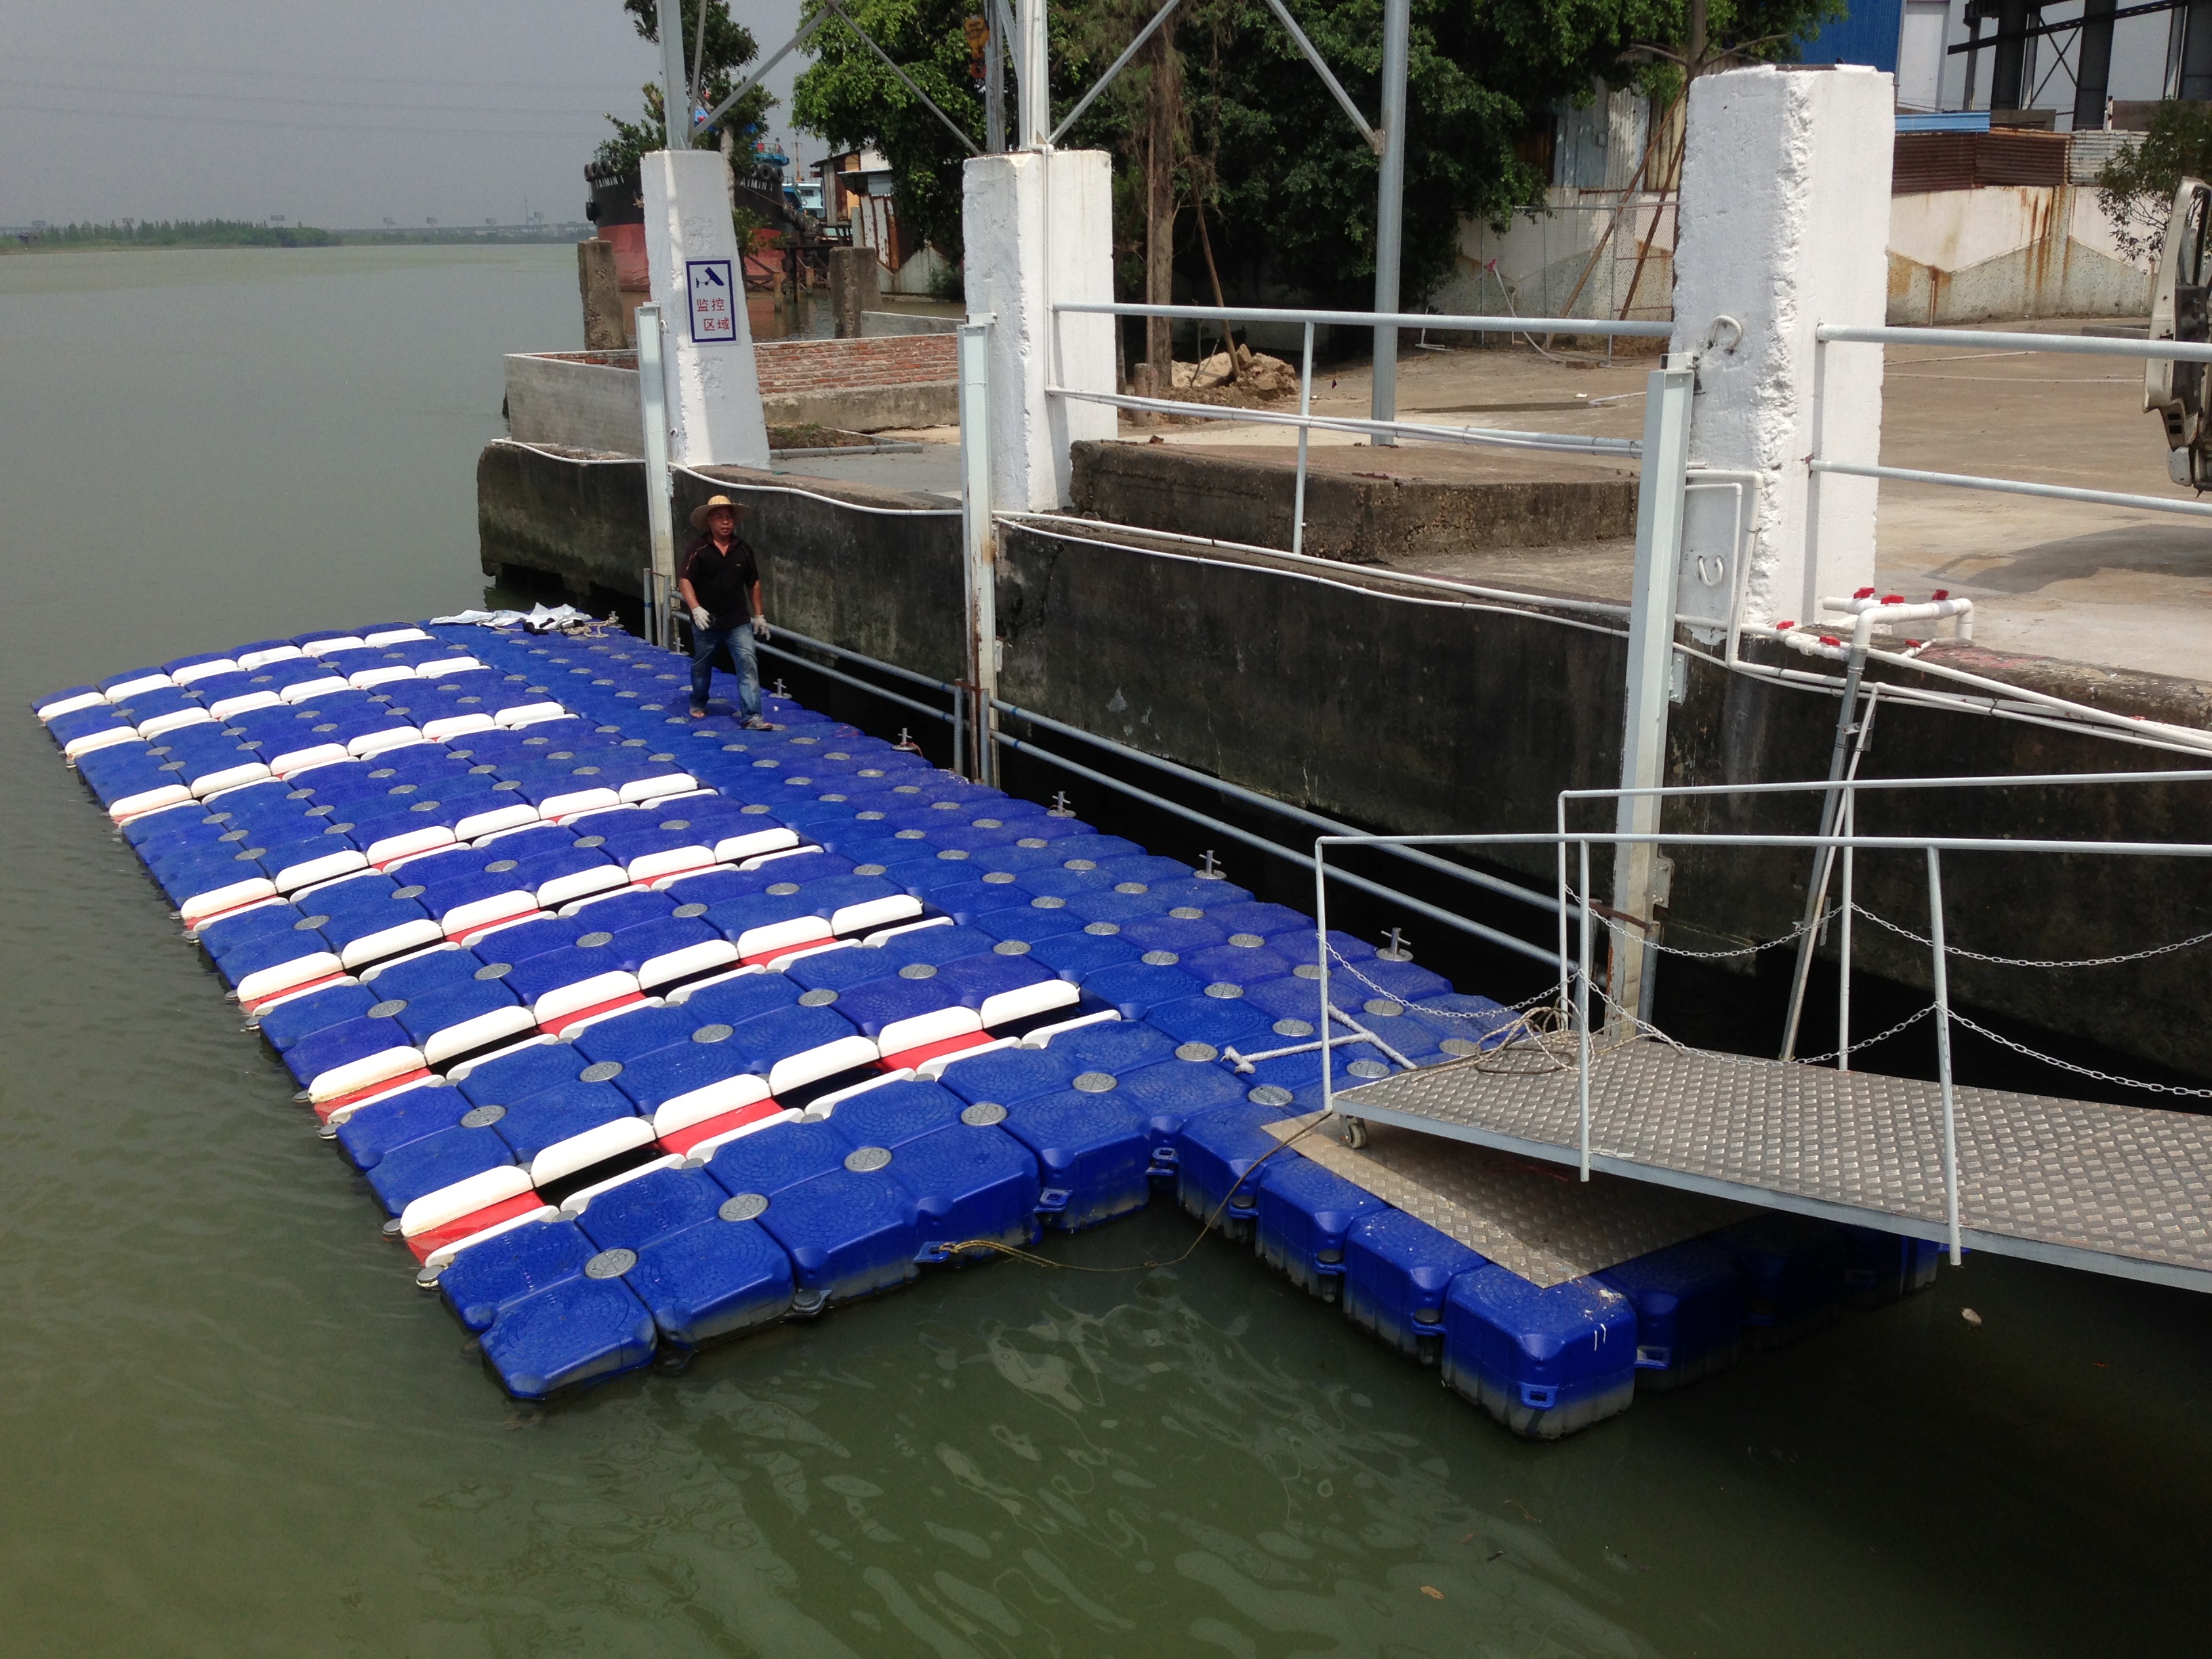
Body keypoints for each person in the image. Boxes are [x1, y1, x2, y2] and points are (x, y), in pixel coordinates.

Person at [678, 493, 777, 727]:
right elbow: (684, 579)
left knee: (747, 663)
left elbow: (753, 582)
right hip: (708, 621)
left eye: (729, 518)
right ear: (710, 521)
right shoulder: (698, 549)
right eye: (720, 518)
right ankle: (698, 700)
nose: (725, 523)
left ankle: (752, 715)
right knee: (702, 666)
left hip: (737, 620)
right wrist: (695, 609)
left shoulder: (743, 549)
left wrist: (760, 615)